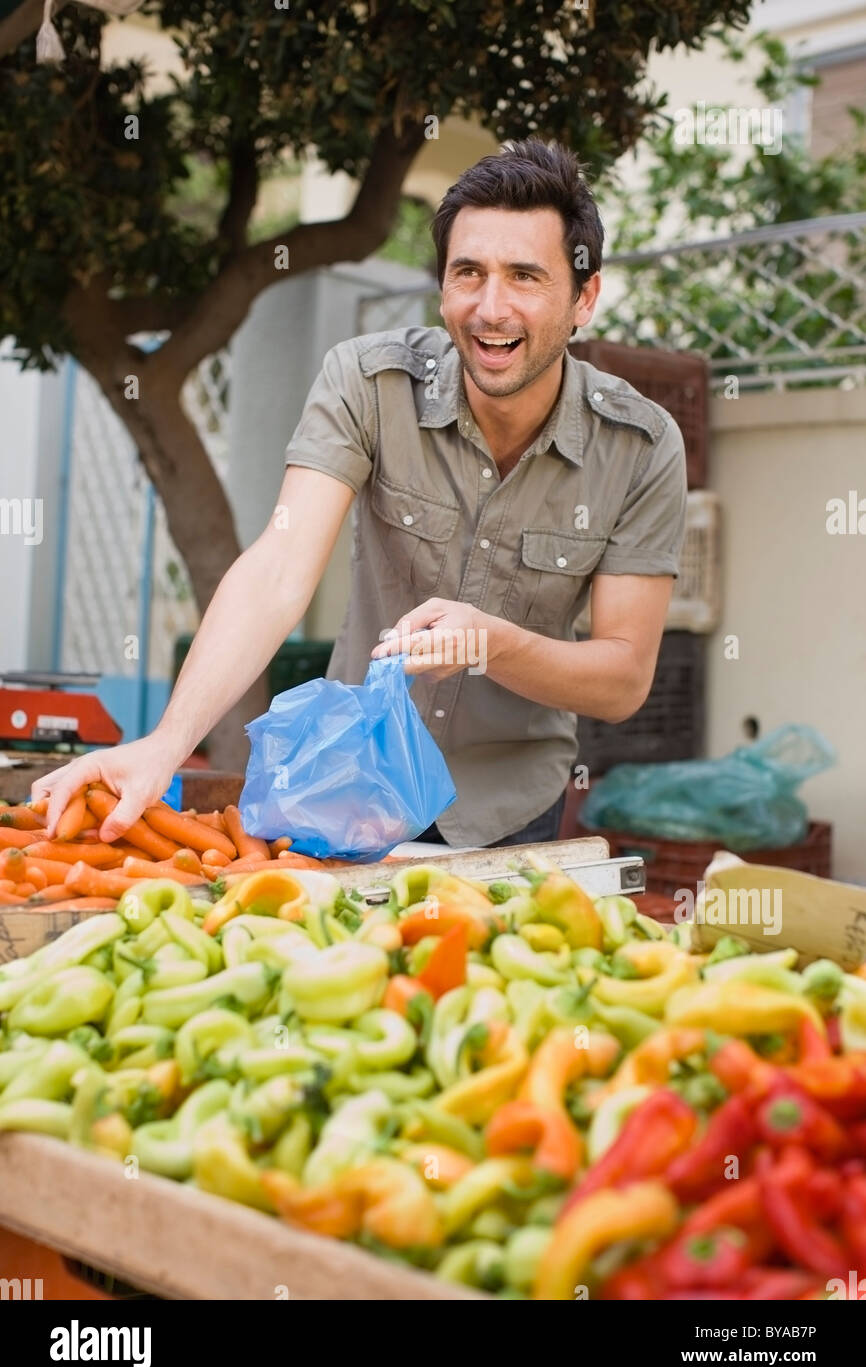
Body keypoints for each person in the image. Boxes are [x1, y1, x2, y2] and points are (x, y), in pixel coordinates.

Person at [33, 138, 687, 850]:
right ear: (442, 288)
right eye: (468, 272)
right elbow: (278, 568)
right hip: (349, 791)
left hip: (509, 812)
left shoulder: (640, 446)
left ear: (583, 297)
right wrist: (165, 745)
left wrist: (491, 643)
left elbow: (623, 678)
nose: (490, 307)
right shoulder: (370, 385)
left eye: (525, 277)